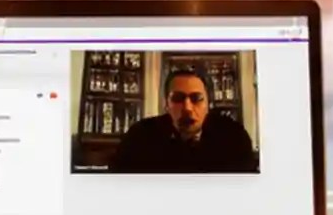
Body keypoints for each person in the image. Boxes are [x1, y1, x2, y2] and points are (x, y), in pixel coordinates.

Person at [109, 69, 257, 173]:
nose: (187, 108)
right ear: (166, 104)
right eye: (178, 98)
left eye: (196, 99)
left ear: (209, 104)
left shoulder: (234, 137)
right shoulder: (139, 137)